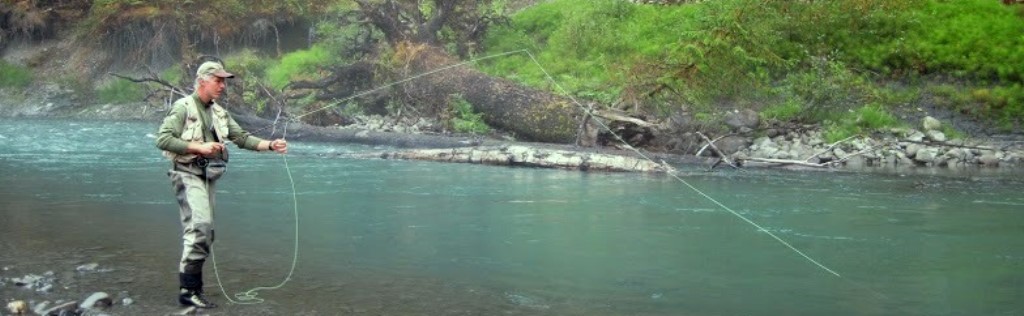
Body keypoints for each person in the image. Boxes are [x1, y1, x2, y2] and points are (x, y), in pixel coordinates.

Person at [155, 61, 288, 308]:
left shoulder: (219, 112)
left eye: (224, 81)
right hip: (186, 174)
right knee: (200, 228)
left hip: (207, 177)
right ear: (202, 81)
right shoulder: (182, 107)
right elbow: (163, 139)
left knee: (206, 233)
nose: (223, 85)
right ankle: (188, 292)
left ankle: (194, 288)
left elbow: (242, 138)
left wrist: (271, 145)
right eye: (218, 80)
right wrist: (199, 147)